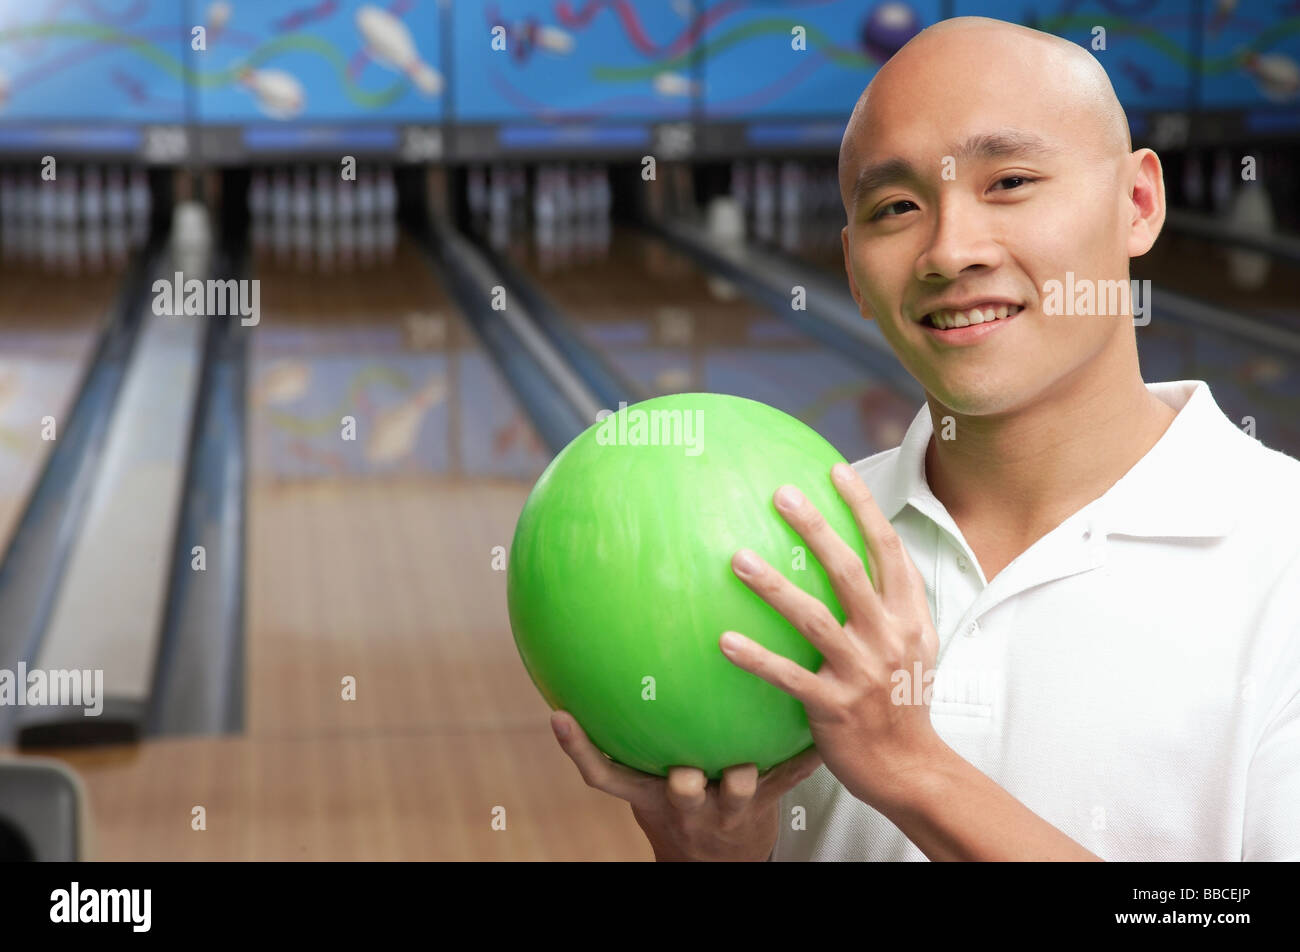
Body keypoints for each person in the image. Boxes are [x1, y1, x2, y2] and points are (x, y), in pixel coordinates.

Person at [549, 15, 1300, 861]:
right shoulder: (782, 555)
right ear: (852, 272)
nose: (951, 250)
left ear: (1138, 203)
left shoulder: (1284, 559)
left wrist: (915, 770)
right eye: (897, 206)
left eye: (1010, 181)